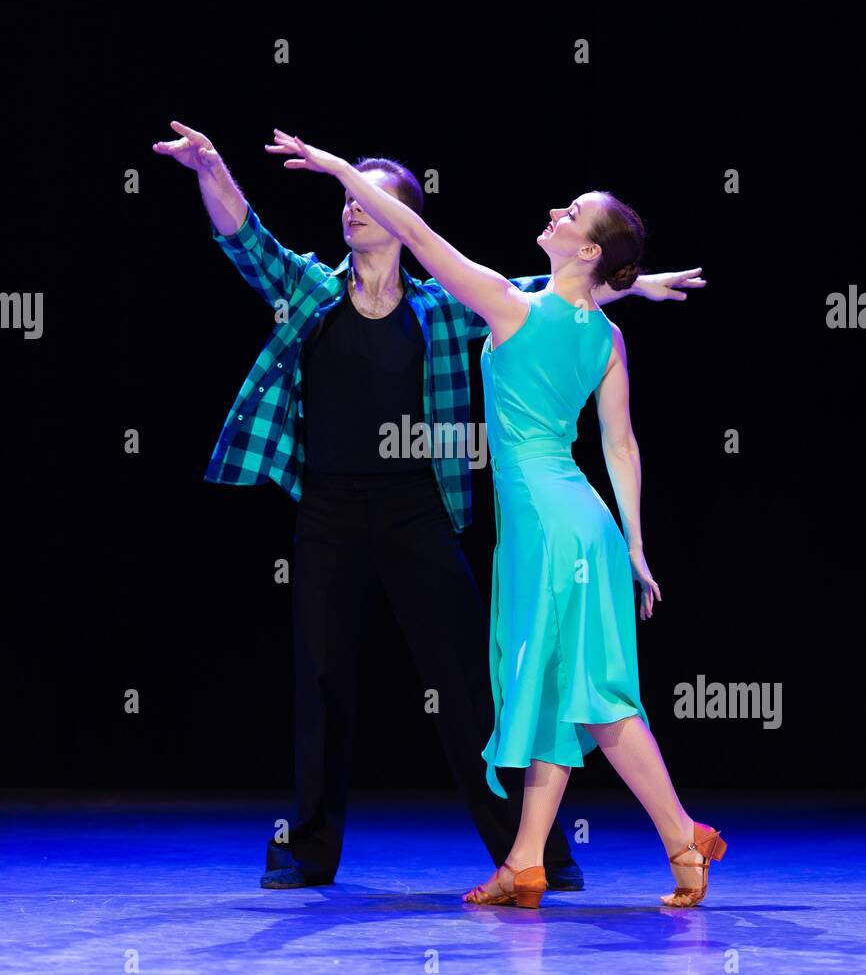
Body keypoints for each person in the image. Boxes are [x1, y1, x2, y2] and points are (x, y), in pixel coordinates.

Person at [153, 120, 708, 897]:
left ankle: (527, 851)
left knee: (472, 683)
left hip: (419, 509)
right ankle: (308, 851)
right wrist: (211, 168)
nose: (350, 211)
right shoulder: (310, 290)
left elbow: (546, 296)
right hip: (329, 512)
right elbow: (246, 240)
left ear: (400, 220)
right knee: (320, 678)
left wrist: (632, 282)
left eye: (367, 201)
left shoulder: (441, 307)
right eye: (347, 201)